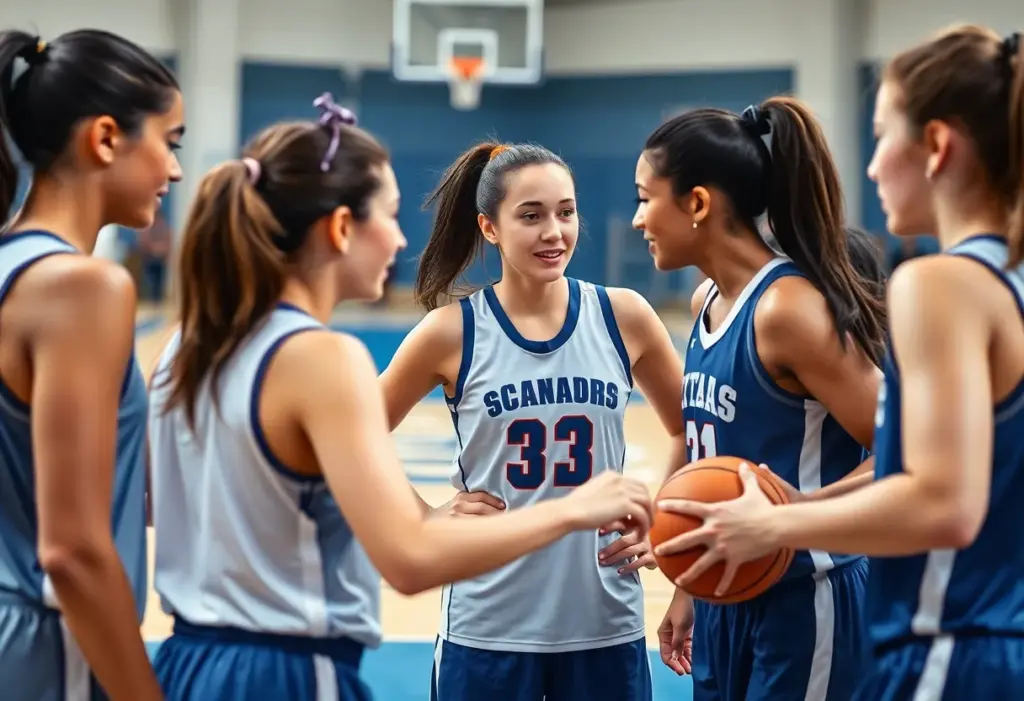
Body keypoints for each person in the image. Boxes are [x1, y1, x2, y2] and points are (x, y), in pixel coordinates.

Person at [146, 99, 655, 701]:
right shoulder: (323, 359)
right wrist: (572, 509)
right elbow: (410, 563)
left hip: (188, 659)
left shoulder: (189, 343)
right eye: (388, 214)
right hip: (286, 666)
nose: (399, 235)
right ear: (340, 229)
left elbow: (146, 502)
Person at [654, 24, 1024, 700]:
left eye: (883, 135)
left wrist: (774, 519)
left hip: (955, 640)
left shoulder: (941, 284)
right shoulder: (1004, 281)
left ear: (937, 145)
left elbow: (943, 500)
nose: (873, 164)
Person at [379, 141, 686, 701]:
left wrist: (666, 521)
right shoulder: (452, 332)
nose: (554, 231)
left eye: (566, 212)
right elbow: (352, 440)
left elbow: (692, 427)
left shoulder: (624, 316)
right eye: (531, 215)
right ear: (489, 228)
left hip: (604, 621)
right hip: (487, 627)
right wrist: (424, 516)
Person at [633, 97, 887, 700]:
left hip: (806, 596)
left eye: (647, 197)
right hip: (728, 595)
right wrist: (690, 586)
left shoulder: (786, 311)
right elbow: (709, 459)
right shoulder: (705, 304)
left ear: (697, 203)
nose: (639, 218)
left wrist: (789, 516)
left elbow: (910, 450)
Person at [0, 28, 183, 701]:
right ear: (106, 137)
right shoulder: (82, 287)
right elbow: (72, 551)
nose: (176, 169)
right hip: (49, 646)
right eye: (172, 142)